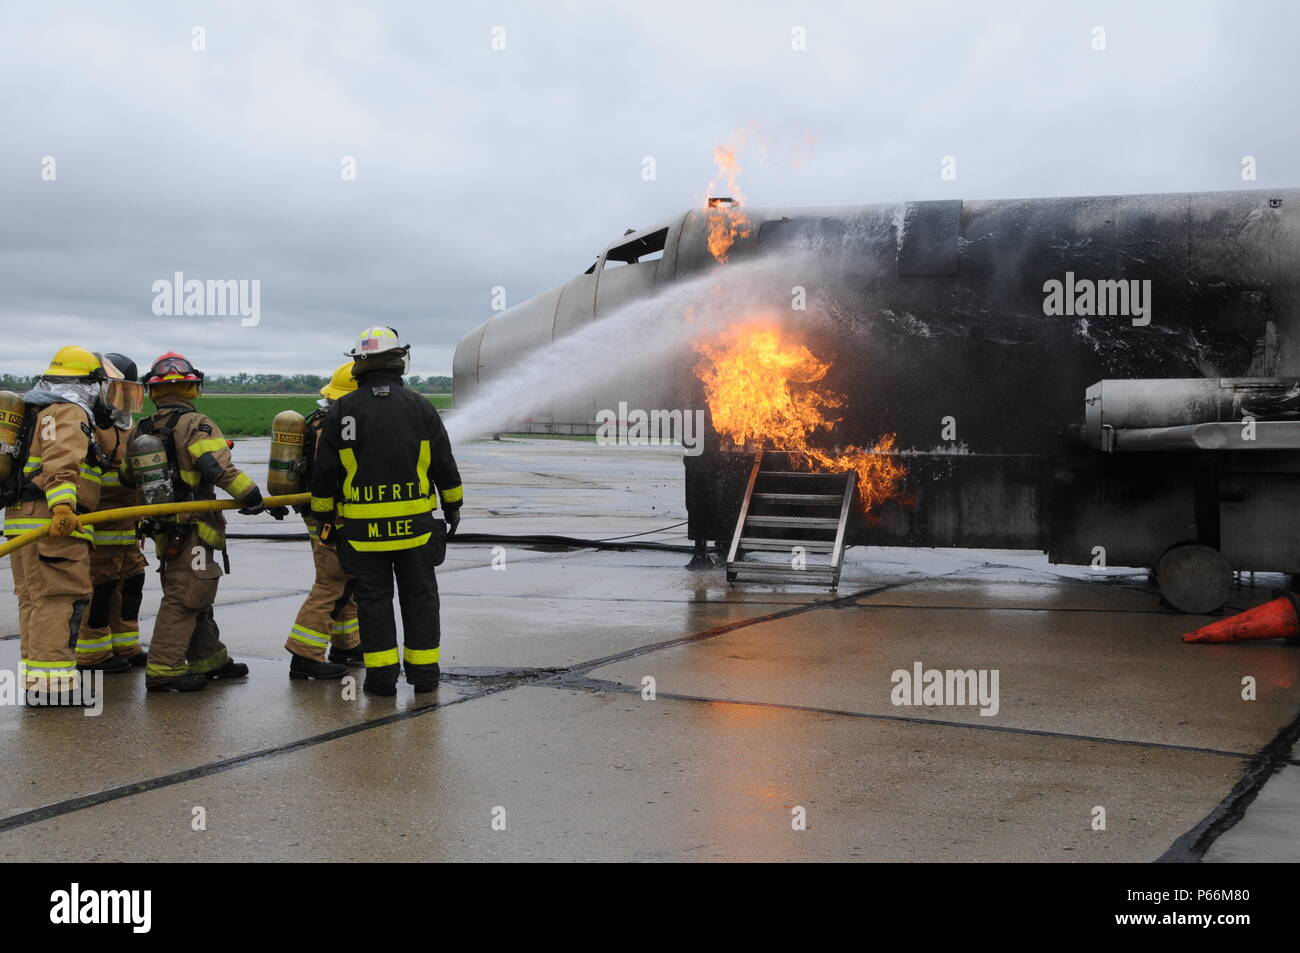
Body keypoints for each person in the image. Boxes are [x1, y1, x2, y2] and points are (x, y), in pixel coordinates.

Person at [309, 327, 463, 696]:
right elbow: (443, 462)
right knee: (420, 599)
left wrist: (324, 518)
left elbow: (325, 474)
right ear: (398, 361)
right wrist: (453, 505)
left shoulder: (342, 411)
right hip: (417, 532)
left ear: (360, 364)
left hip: (363, 536)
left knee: (374, 602)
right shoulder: (420, 406)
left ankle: (380, 680)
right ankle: (424, 678)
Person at [2, 347, 142, 706]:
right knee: (59, 601)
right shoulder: (69, 410)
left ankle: (38, 681)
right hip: (54, 523)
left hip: (23, 519)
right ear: (90, 384)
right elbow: (62, 462)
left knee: (34, 601)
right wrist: (64, 506)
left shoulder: (39, 408)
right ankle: (53, 688)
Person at [126, 352, 264, 693]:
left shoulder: (142, 429)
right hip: (193, 526)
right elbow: (216, 467)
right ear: (193, 389)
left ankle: (209, 659)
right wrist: (252, 496)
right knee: (186, 596)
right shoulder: (197, 423)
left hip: (162, 527)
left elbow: (128, 477)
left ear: (153, 392)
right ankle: (164, 668)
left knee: (194, 591)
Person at [284, 362, 363, 680]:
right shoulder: (333, 426)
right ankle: (305, 654)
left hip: (325, 514)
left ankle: (346, 645)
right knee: (332, 583)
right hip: (332, 517)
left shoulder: (321, 420)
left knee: (348, 581)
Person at [75, 352, 148, 673]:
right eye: (117, 391)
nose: (123, 401)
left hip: (129, 526)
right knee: (100, 591)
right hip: (99, 527)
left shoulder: (130, 428)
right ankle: (93, 654)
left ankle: (126, 645)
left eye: (129, 392)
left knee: (131, 585)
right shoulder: (89, 425)